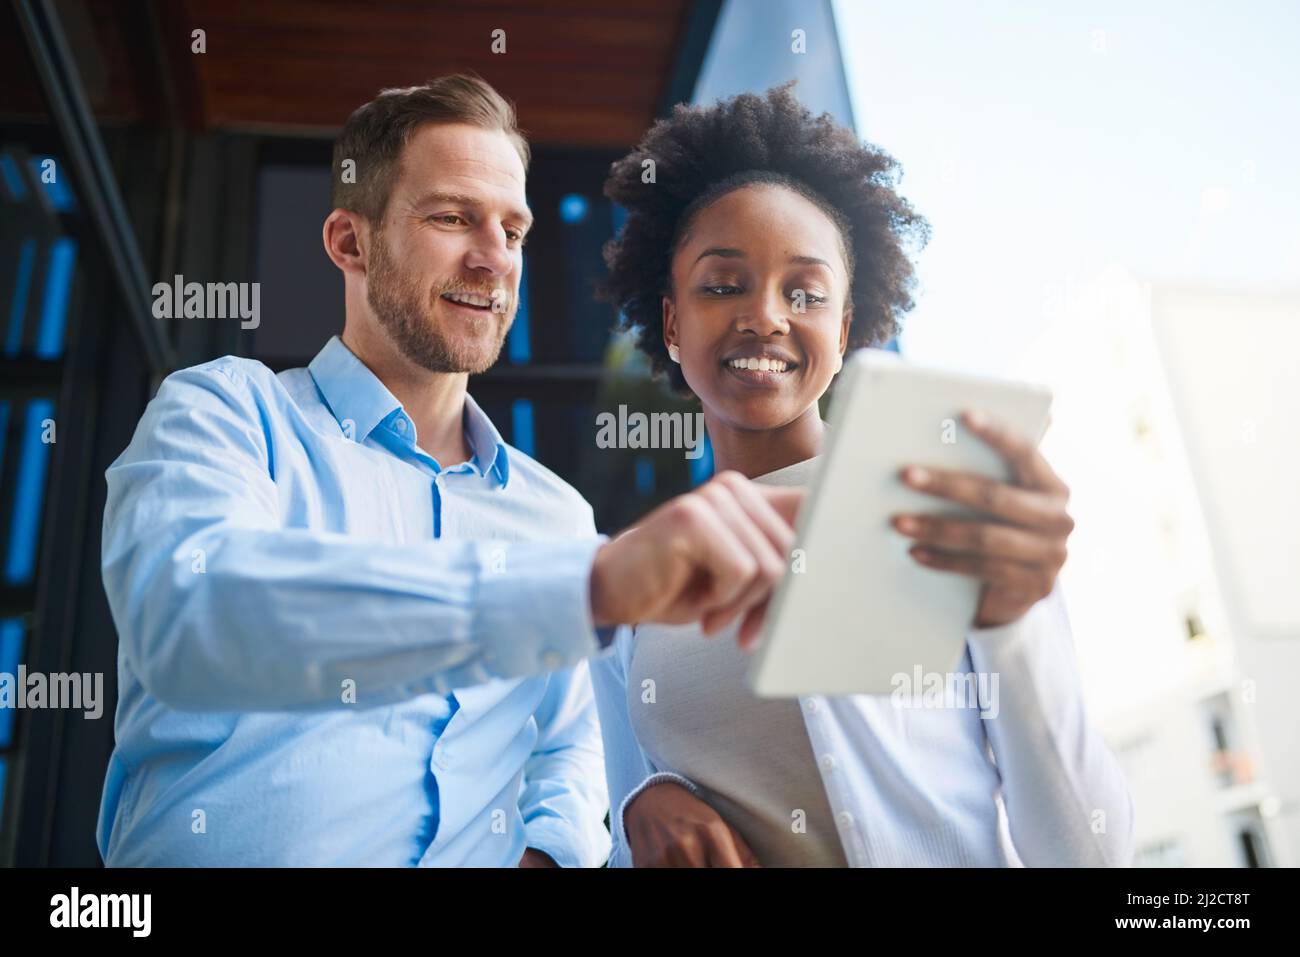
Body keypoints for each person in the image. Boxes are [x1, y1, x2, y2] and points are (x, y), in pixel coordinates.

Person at [96, 75, 801, 867]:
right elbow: (192, 614)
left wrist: (548, 852)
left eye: (514, 229)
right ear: (349, 241)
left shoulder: (558, 518)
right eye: (452, 218)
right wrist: (583, 589)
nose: (494, 259)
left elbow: (567, 750)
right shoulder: (227, 412)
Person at [590, 83, 1134, 867]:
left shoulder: (938, 504)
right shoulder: (635, 582)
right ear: (672, 322)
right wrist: (643, 804)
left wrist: (1011, 626)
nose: (766, 316)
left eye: (804, 291)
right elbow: (619, 829)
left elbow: (1092, 855)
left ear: (842, 331)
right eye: (722, 284)